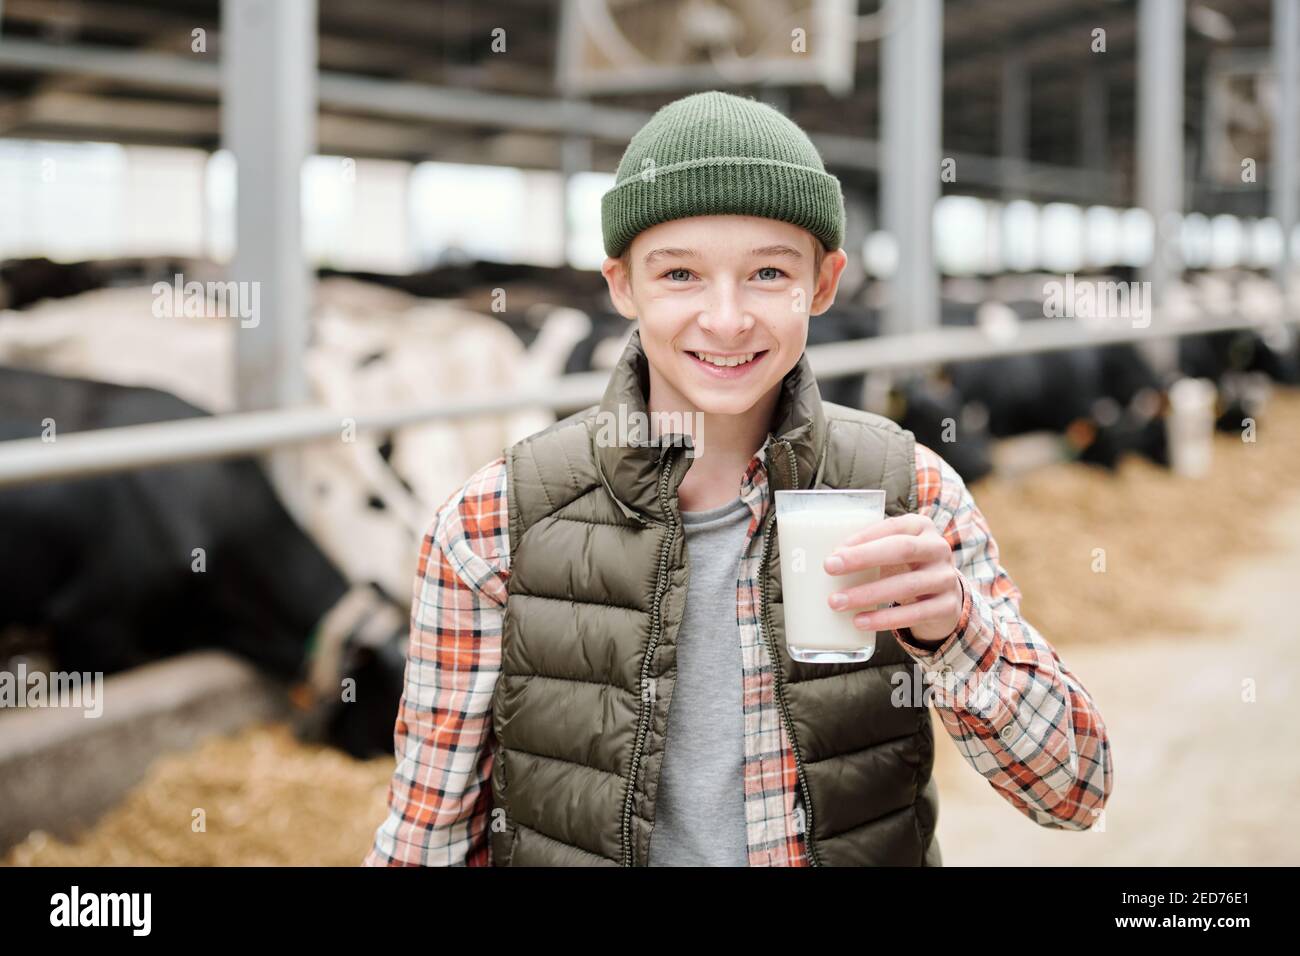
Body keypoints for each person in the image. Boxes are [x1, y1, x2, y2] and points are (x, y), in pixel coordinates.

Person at [363, 90, 1112, 867]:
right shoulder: (491, 525)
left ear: (823, 286)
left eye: (767, 274)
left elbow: (1075, 792)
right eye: (680, 274)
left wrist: (957, 633)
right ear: (622, 286)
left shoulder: (910, 494)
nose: (726, 320)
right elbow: (426, 839)